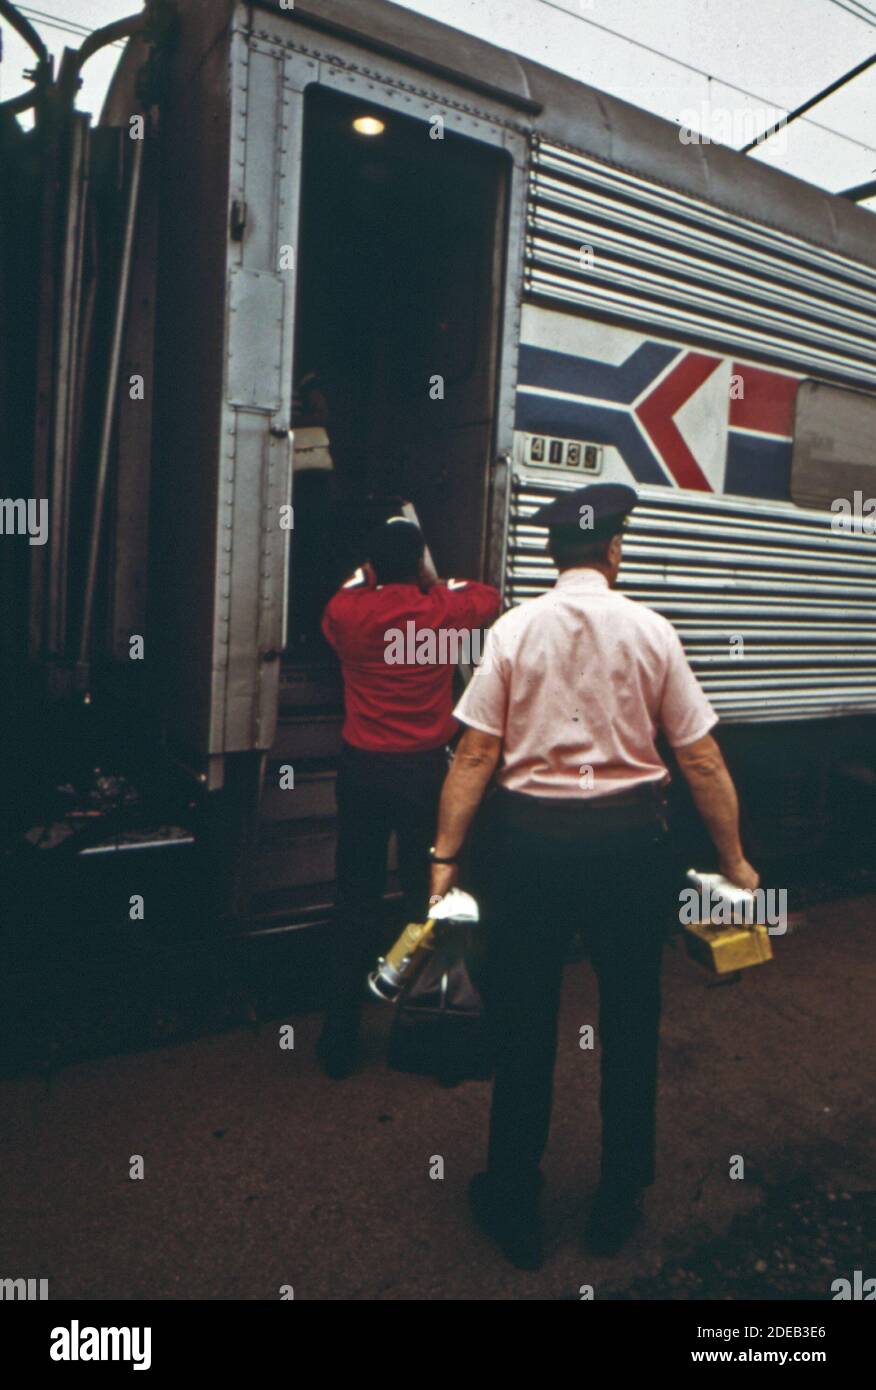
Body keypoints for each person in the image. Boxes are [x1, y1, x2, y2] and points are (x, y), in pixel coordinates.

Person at [428, 482, 759, 1269]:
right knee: (631, 1021)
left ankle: (515, 1207)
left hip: (531, 852)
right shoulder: (651, 630)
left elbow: (475, 752)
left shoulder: (513, 630)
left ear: (553, 553)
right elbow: (700, 756)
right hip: (628, 851)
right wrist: (736, 862)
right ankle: (618, 1200)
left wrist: (444, 860)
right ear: (614, 550)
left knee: (525, 1025)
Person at [318, 518, 500, 1078]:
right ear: (419, 564)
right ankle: (424, 1027)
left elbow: (342, 597)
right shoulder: (446, 610)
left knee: (355, 901)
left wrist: (369, 578)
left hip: (364, 773)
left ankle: (340, 1041)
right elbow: (489, 597)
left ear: (371, 566)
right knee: (428, 902)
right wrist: (431, 583)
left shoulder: (348, 614)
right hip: (425, 777)